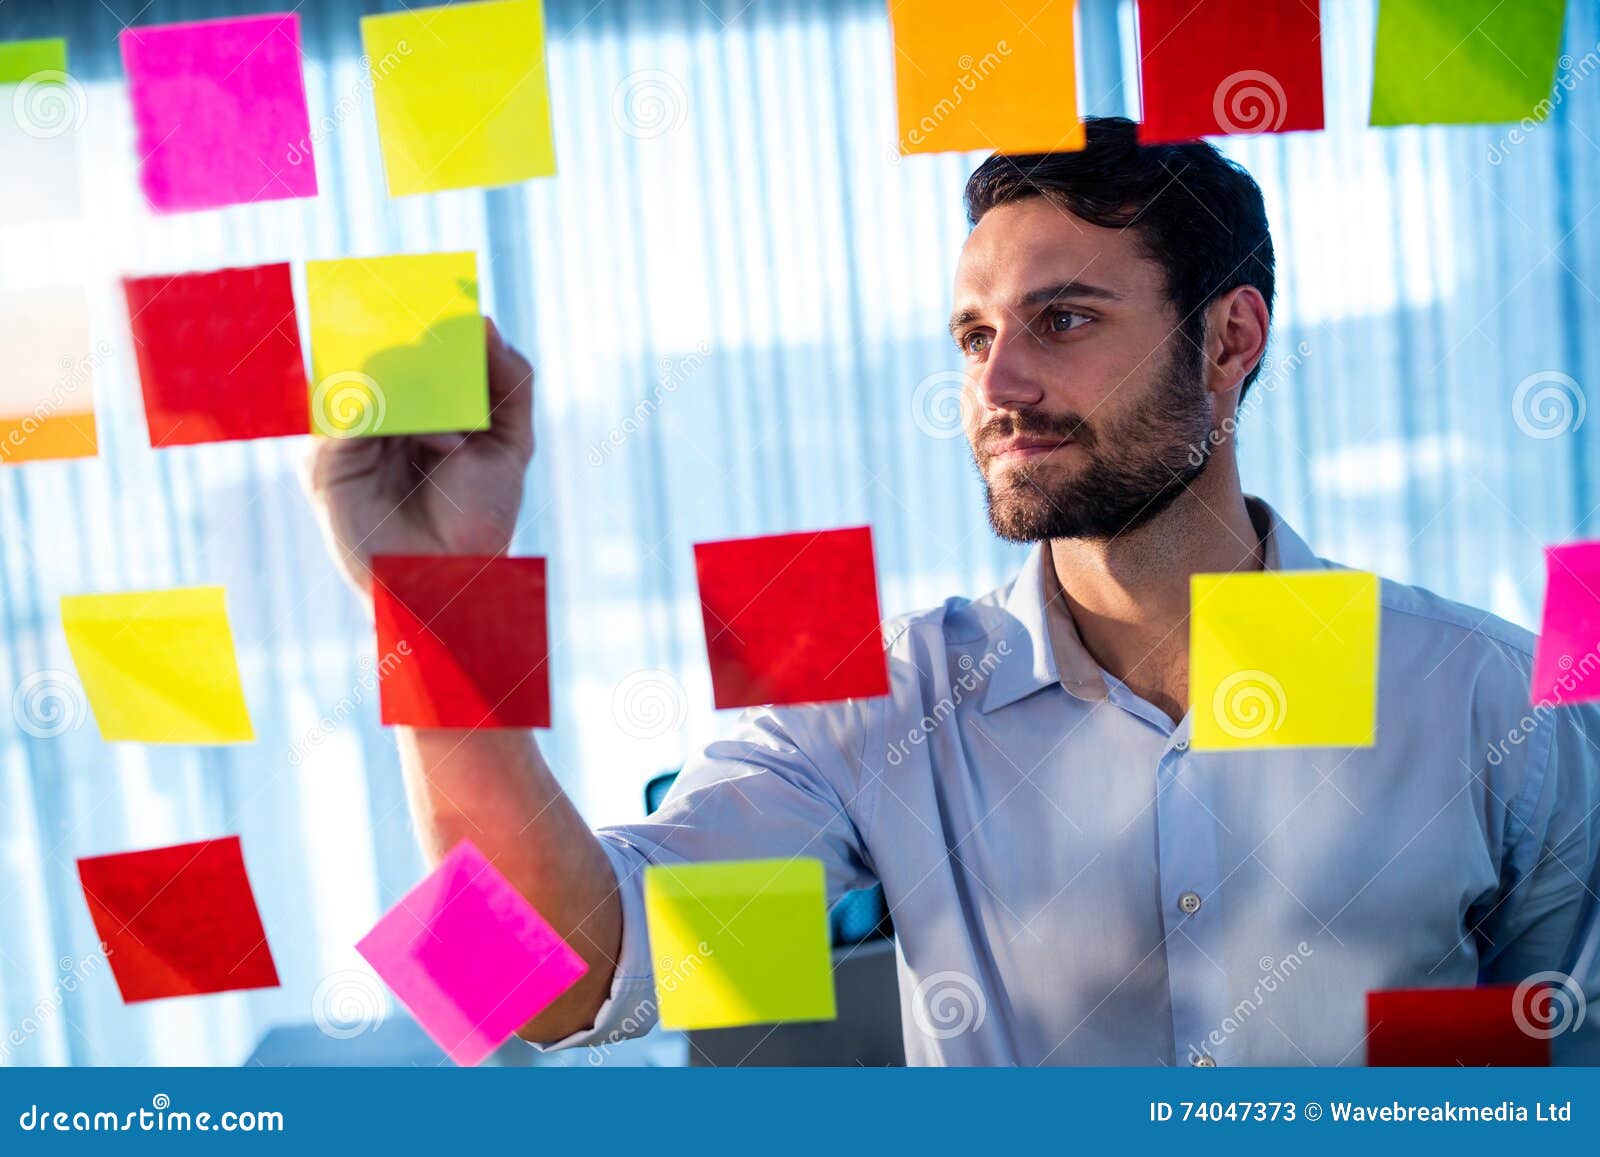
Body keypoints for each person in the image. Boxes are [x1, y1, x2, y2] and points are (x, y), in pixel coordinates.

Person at [304, 117, 1600, 1066]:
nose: (998, 384)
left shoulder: (1487, 697)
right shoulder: (882, 703)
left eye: (1064, 320)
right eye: (976, 336)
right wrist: (433, 590)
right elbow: (533, 982)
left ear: (1229, 341)